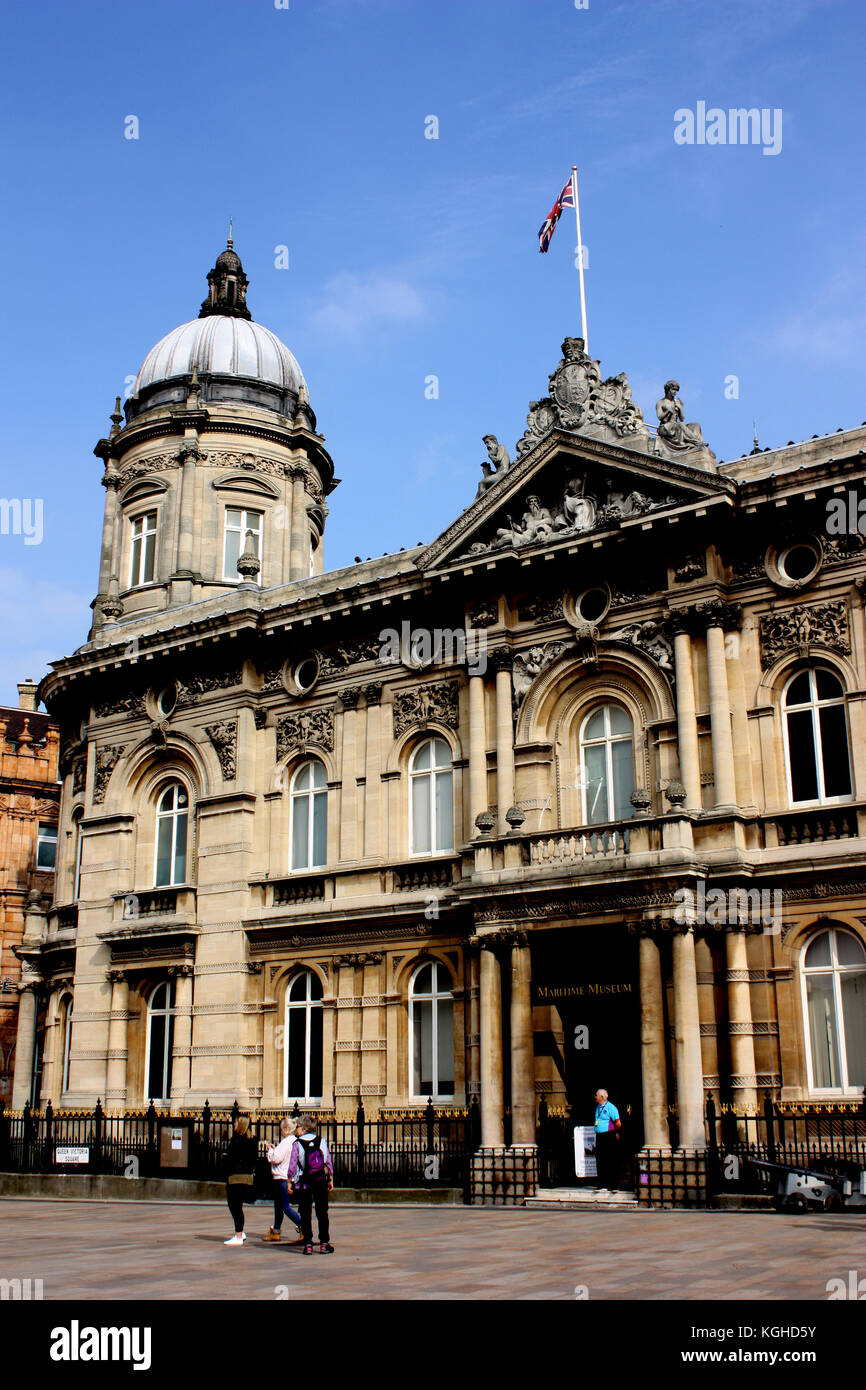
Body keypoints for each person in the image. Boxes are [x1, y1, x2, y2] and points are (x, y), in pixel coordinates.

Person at [288, 1114, 335, 1255]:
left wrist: (290, 1181)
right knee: (322, 1212)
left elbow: (292, 1166)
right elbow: (327, 1161)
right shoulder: (321, 1141)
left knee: (305, 1213)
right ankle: (324, 1243)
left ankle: (308, 1244)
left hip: (304, 1182)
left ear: (303, 1128)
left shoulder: (297, 1144)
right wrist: (331, 1178)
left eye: (297, 1127)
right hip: (320, 1180)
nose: (296, 1129)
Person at [263, 1118, 304, 1244]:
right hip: (285, 1176)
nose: (280, 1132)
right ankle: (276, 1231)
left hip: (281, 1177)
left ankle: (303, 1227)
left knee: (285, 1206)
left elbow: (276, 1158)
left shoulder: (286, 1142)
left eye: (281, 1129)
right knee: (278, 1206)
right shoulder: (294, 1141)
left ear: (286, 1129)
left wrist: (270, 1150)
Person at [224, 1115, 258, 1246]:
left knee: (235, 1206)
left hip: (236, 1176)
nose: (234, 1124)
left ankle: (238, 1234)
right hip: (247, 1176)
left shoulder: (237, 1140)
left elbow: (231, 1158)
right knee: (238, 1206)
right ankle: (240, 1232)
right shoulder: (252, 1139)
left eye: (236, 1122)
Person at [593, 1088, 621, 1193]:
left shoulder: (611, 1107)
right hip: (600, 1136)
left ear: (602, 1097)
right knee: (600, 1160)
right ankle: (602, 1184)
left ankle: (614, 1185)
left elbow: (618, 1123)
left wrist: (616, 1132)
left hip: (609, 1136)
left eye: (596, 1095)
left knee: (611, 1159)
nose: (595, 1097)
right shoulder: (597, 1107)